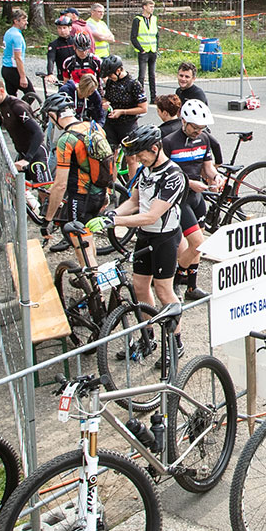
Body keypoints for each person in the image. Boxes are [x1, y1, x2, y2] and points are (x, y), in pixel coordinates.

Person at [104, 126, 188, 360]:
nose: (137, 159)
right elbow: (134, 201)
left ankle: (175, 343)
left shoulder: (173, 176)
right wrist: (112, 215)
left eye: (141, 154)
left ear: (154, 148)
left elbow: (152, 215)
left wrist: (117, 221)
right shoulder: (145, 171)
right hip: (144, 235)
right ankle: (148, 337)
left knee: (163, 291)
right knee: (140, 287)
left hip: (164, 238)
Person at [161, 98, 221, 298]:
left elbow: (207, 166)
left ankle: (191, 287)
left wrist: (215, 177)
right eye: (195, 127)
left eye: (202, 128)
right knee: (197, 243)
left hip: (196, 197)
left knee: (198, 246)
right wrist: (189, 183)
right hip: (179, 198)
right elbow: (165, 174)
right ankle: (175, 280)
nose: (199, 131)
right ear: (183, 121)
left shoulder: (203, 139)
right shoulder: (169, 142)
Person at [43, 93, 110, 267]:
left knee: (81, 245)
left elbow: (59, 185)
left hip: (80, 197)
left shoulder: (66, 140)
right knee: (88, 237)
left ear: (54, 115)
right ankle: (92, 278)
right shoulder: (95, 127)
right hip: (99, 192)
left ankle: (96, 288)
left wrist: (48, 219)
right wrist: (107, 192)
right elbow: (109, 162)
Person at [0, 77, 46, 173]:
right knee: (13, 184)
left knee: (43, 187)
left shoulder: (17, 107)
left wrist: (27, 159)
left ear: (1, 90)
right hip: (22, 154)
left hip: (35, 154)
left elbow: (38, 132)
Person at [100, 55, 148, 144]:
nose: (109, 78)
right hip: (111, 123)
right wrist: (105, 103)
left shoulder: (134, 84)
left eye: (110, 75)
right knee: (109, 152)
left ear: (118, 71)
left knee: (129, 155)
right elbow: (106, 98)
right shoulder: (111, 82)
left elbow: (143, 108)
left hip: (127, 123)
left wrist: (122, 112)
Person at [0, 8, 34, 98]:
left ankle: (10, 112)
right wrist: (22, 77)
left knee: (12, 98)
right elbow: (17, 58)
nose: (26, 22)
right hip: (13, 69)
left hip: (6, 69)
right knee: (31, 94)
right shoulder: (17, 36)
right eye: (24, 20)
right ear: (16, 21)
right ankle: (21, 110)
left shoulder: (9, 32)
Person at [131, 0, 161, 99]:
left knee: (152, 75)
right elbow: (133, 37)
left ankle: (153, 97)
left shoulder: (154, 19)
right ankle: (140, 96)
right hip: (143, 51)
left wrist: (156, 47)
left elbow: (157, 35)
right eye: (150, 6)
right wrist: (140, 49)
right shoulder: (137, 20)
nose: (152, 9)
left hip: (152, 50)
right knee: (142, 76)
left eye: (153, 7)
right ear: (144, 7)